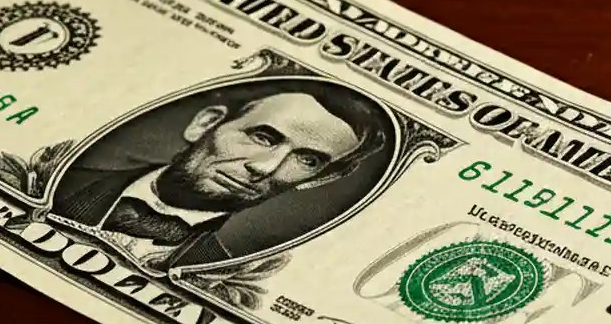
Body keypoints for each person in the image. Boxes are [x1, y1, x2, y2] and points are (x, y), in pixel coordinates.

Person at [47, 82, 388, 269]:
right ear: (206, 124)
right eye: (263, 137)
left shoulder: (219, 270)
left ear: (319, 179)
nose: (265, 167)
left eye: (308, 160)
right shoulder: (54, 181)